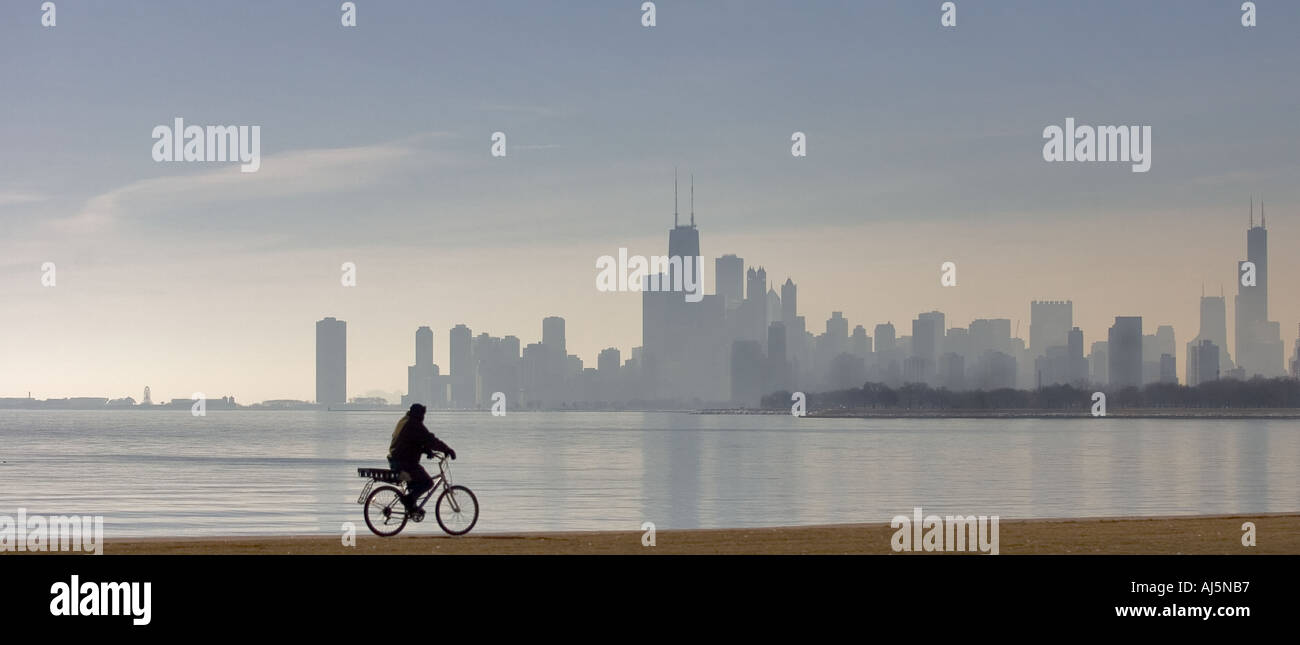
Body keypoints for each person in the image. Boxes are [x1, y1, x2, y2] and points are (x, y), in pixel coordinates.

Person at [387, 403, 456, 516]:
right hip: (404, 462)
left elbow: (411, 441)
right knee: (427, 483)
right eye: (422, 415)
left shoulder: (404, 421)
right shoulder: (414, 424)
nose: (423, 418)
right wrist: (447, 450)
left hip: (396, 459)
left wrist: (425, 450)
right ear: (418, 414)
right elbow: (430, 439)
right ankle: (408, 500)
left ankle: (412, 507)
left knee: (415, 484)